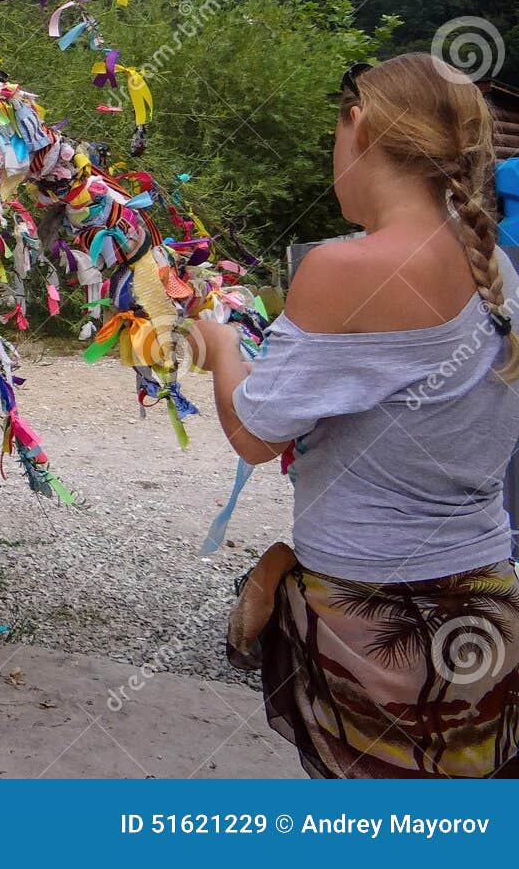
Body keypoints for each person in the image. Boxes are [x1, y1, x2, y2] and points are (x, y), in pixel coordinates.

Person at [190, 52, 519, 778]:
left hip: (372, 613)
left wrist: (217, 342)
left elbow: (252, 432)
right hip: (487, 597)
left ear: (359, 125)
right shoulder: (498, 267)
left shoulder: (347, 268)